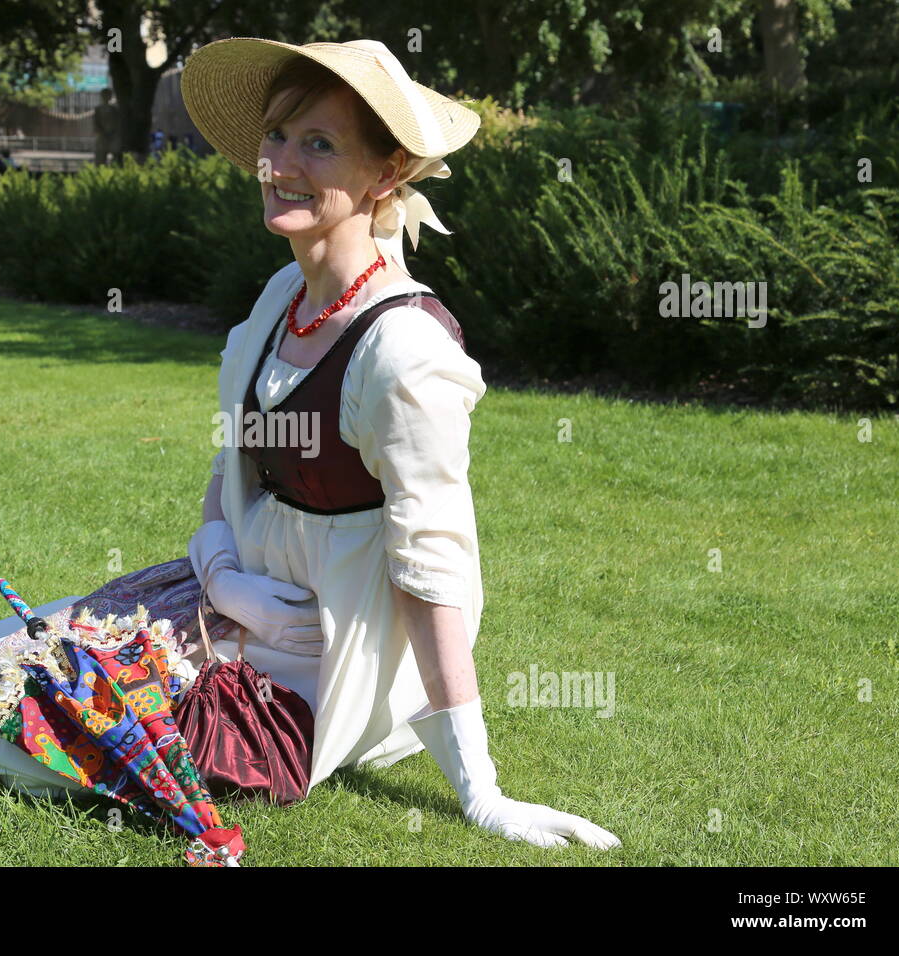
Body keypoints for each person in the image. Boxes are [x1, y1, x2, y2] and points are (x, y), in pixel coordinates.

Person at [175, 38, 622, 850]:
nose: (280, 163)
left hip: (336, 650)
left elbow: (430, 564)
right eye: (277, 136)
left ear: (385, 177)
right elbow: (232, 462)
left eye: (319, 144)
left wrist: (481, 789)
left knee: (110, 736)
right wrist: (220, 575)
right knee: (26, 666)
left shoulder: (404, 351)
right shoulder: (283, 295)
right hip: (242, 600)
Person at [92, 88, 120, 165]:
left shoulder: (115, 109)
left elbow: (117, 123)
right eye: (105, 95)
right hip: (102, 137)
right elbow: (96, 123)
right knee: (100, 160)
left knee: (116, 159)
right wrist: (102, 132)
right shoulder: (98, 109)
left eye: (108, 95)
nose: (106, 97)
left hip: (113, 137)